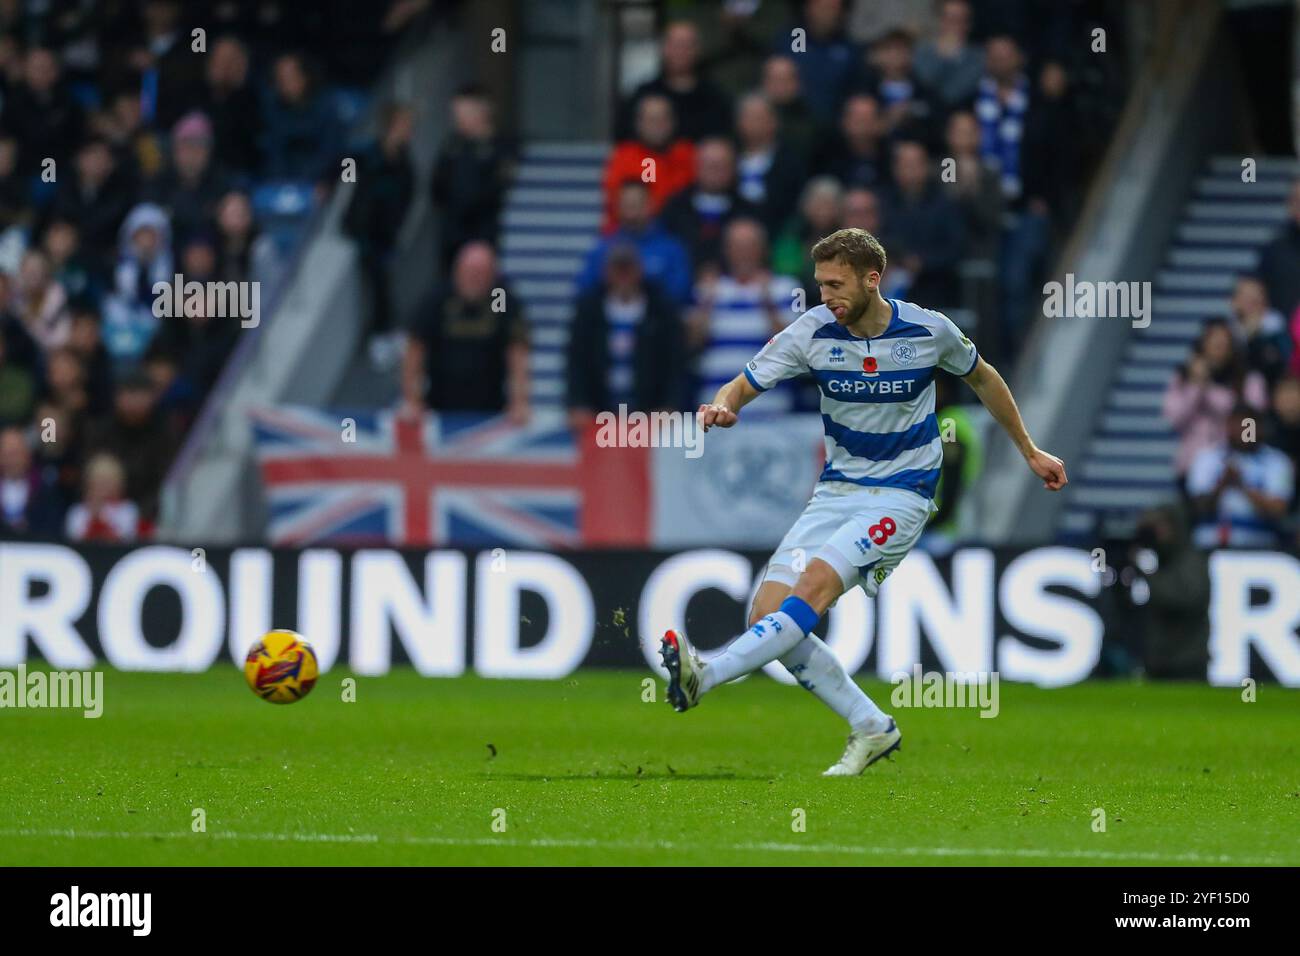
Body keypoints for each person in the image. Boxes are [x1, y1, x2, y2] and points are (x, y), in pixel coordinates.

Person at [659, 228, 1067, 775]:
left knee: (811, 591)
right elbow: (744, 382)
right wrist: (720, 405)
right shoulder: (813, 331)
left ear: (873, 279)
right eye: (820, 284)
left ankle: (705, 674)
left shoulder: (928, 330)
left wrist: (1029, 449)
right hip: (837, 491)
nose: (826, 296)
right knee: (766, 615)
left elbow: (985, 380)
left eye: (836, 283)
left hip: (903, 493)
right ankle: (872, 726)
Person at [401, 241, 529, 423]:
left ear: (493, 275)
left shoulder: (499, 298)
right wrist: (413, 399)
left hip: (491, 408)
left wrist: (519, 401)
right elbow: (415, 350)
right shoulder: (438, 299)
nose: (474, 279)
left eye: (481, 274)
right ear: (457, 271)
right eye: (470, 273)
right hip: (440, 406)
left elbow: (516, 352)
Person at [566, 243, 685, 426]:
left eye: (627, 269)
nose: (623, 277)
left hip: (650, 415)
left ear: (639, 270)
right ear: (606, 272)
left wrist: (669, 405)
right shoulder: (589, 312)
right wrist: (578, 404)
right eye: (617, 269)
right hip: (598, 415)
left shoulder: (661, 312)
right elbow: (576, 362)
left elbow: (674, 363)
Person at [1185, 403, 1293, 548]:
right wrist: (1222, 484)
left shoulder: (1277, 461)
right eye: (1238, 425)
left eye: (1248, 426)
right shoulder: (1207, 458)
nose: (1243, 431)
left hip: (1259, 547)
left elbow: (1278, 510)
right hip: (1210, 544)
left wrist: (1243, 486)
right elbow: (1198, 508)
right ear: (1227, 426)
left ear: (1260, 428)